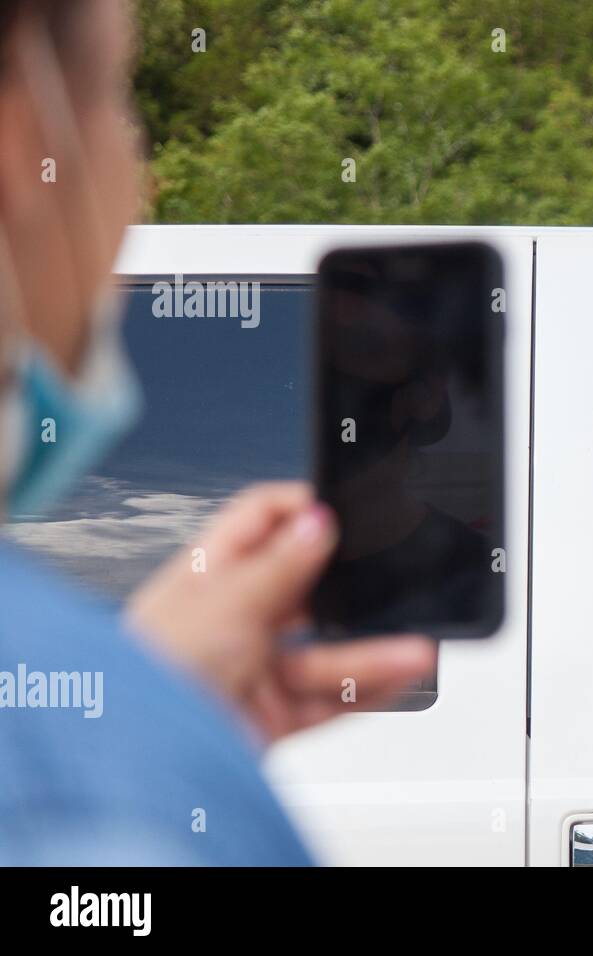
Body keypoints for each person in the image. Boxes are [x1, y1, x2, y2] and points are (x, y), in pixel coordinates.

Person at [0, 0, 436, 863]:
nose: (142, 183)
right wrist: (144, 735)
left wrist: (150, 694)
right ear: (24, 146)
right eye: (120, 110)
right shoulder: (97, 805)